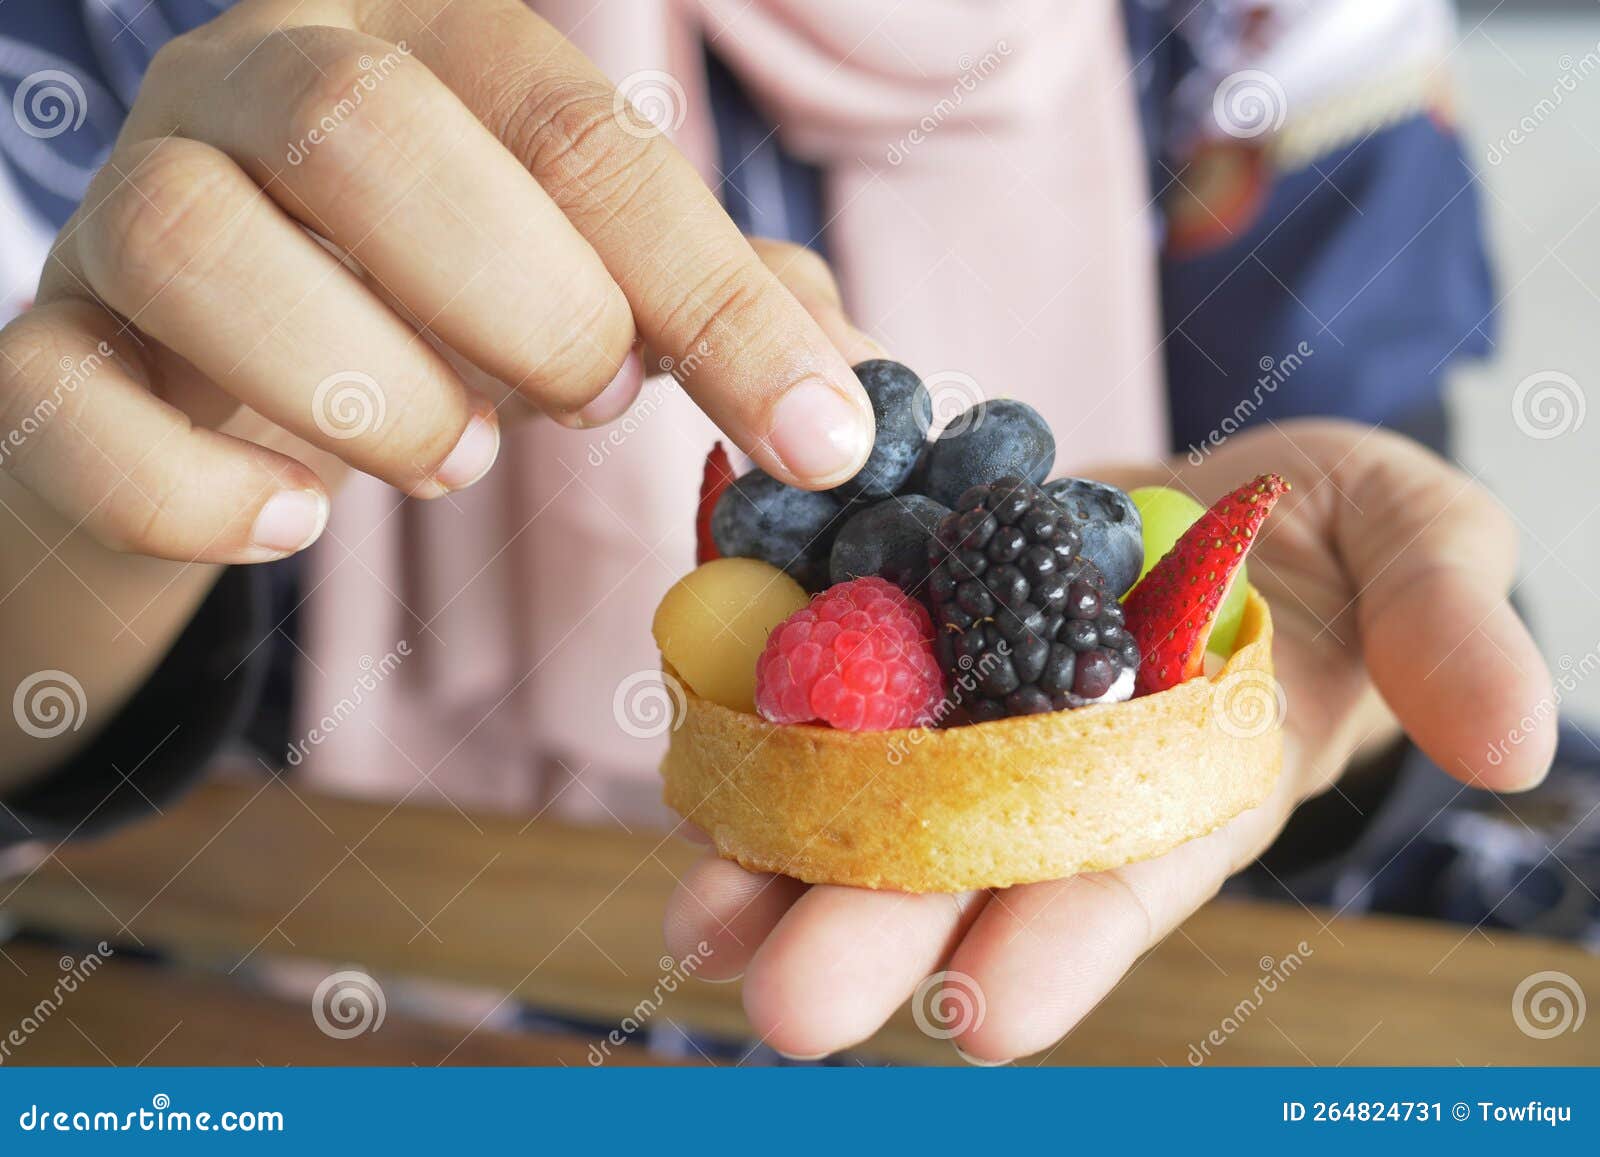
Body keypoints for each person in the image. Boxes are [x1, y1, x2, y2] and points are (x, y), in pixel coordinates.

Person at [0, 0, 1562, 1063]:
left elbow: (1346, 574)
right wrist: (109, 487)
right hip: (301, 974)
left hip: (1177, 984)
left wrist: (1332, 695)